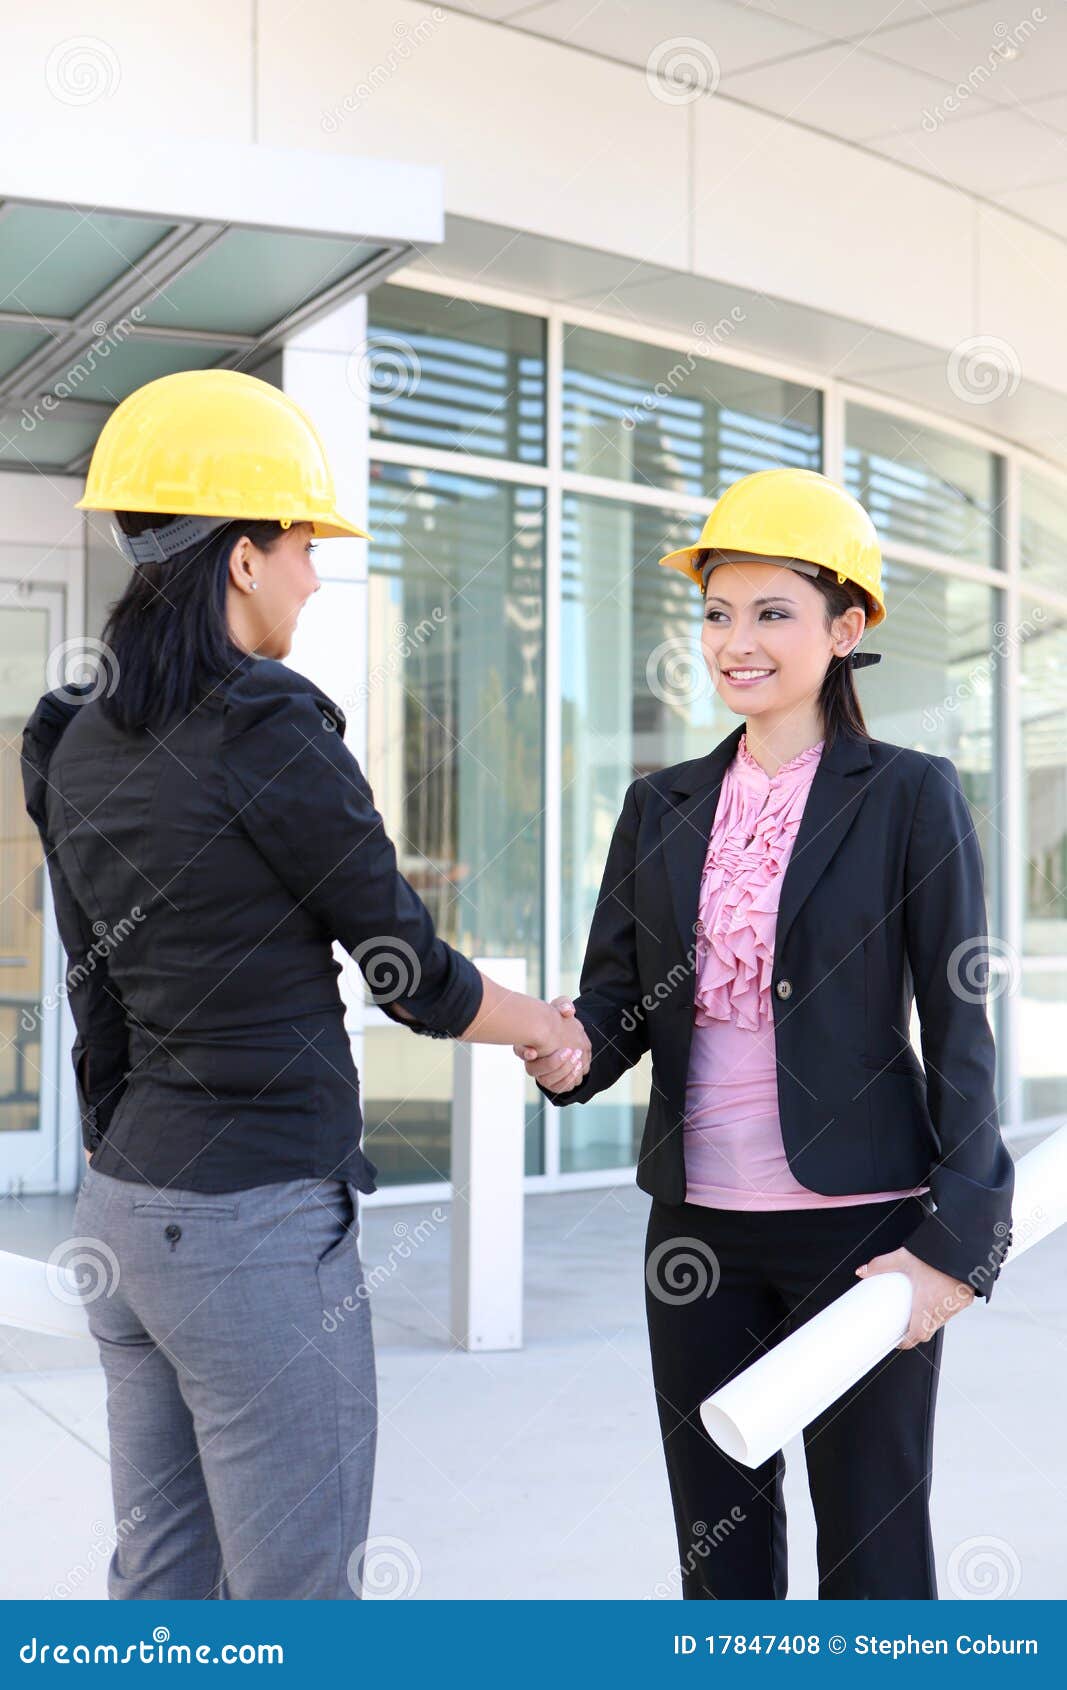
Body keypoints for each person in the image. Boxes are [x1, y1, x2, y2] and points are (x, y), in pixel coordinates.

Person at [20, 367, 589, 1601]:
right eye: (301, 545)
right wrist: (545, 1026)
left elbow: (95, 995)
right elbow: (410, 974)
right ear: (240, 557)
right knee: (299, 1609)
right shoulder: (267, 725)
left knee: (162, 1589)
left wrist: (128, 1168)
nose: (314, 575)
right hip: (251, 1228)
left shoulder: (69, 733)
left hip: (125, 1212)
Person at [517, 467, 1014, 1599]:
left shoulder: (908, 795)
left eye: (770, 613)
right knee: (717, 1548)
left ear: (844, 630)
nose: (734, 641)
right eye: (715, 613)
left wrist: (955, 1246)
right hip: (696, 1237)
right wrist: (566, 1045)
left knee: (872, 1547)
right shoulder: (660, 804)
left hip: (862, 1232)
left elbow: (959, 1026)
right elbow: (615, 1004)